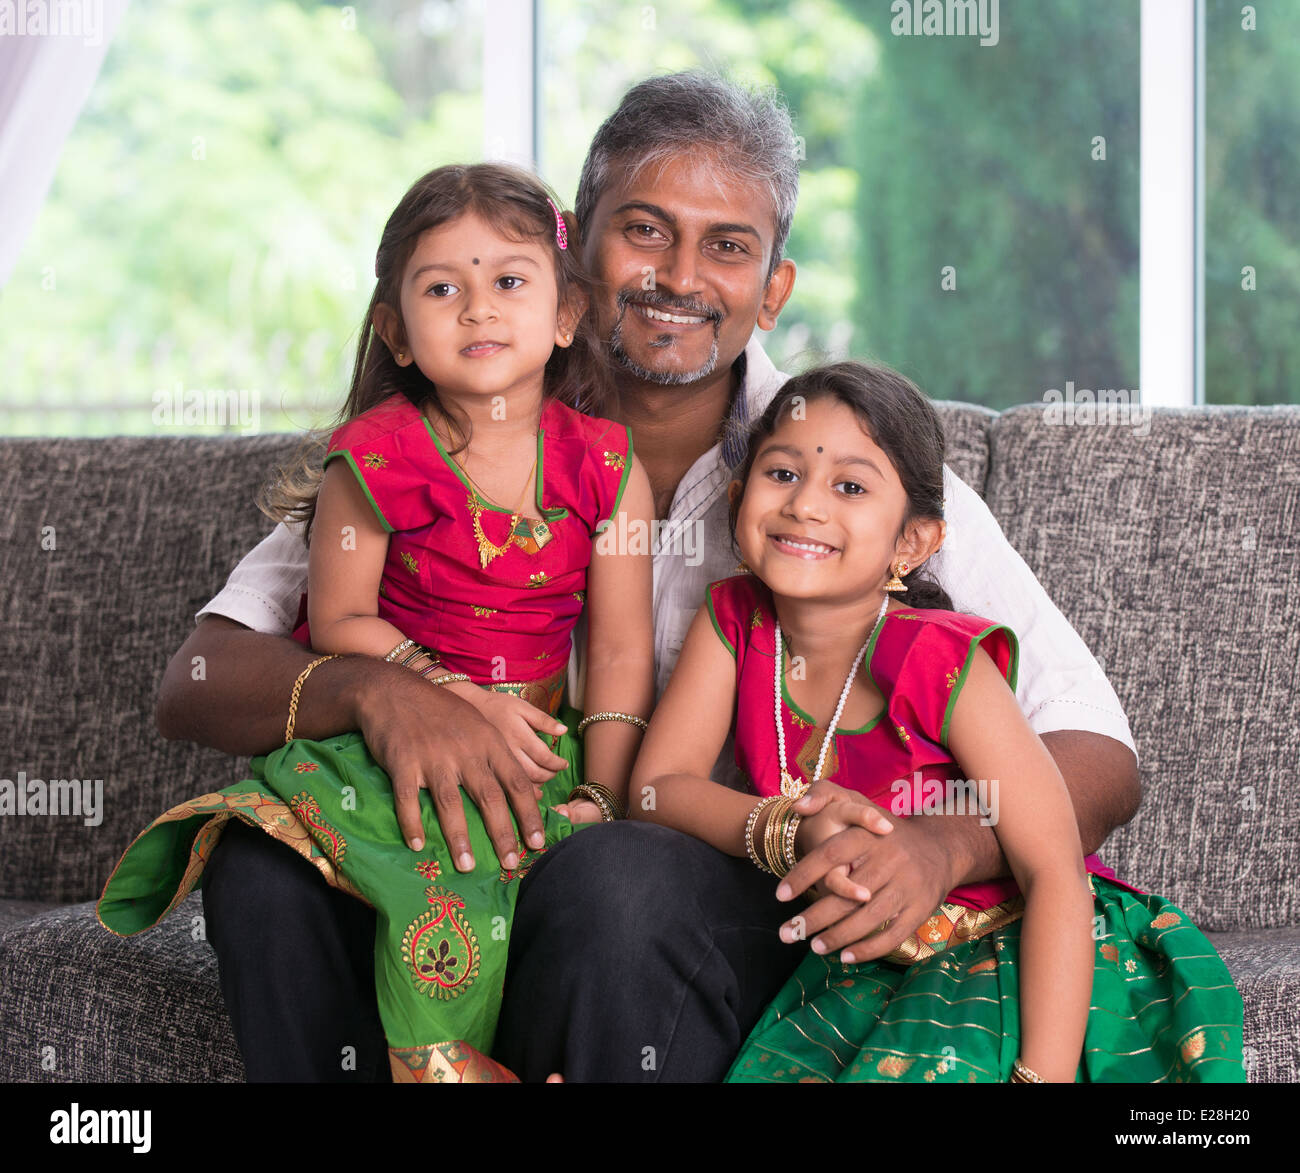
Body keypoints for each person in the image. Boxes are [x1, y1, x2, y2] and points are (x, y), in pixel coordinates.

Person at [155, 71, 1143, 1082]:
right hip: (468, 854)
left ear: (773, 289)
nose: (679, 274)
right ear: (575, 252)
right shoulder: (443, 433)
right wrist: (379, 690)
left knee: (614, 875)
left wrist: (941, 848)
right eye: (644, 228)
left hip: (739, 907)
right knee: (261, 865)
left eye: (727, 247)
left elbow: (1099, 750)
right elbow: (198, 677)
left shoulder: (844, 482)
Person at [98, 162, 656, 1083]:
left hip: (533, 752)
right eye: (445, 289)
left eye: (510, 282)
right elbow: (343, 619)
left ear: (566, 316)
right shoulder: (372, 460)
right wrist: (441, 694)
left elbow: (624, 644)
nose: (479, 309)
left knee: (531, 867)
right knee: (318, 867)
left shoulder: (606, 467)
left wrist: (602, 791)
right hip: (387, 743)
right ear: (396, 331)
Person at [630, 360, 1245, 1083]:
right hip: (863, 967)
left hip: (1008, 952)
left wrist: (1038, 1075)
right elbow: (657, 787)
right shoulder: (735, 623)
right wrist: (789, 827)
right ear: (738, 499)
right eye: (782, 474)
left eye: (850, 487)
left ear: (913, 543)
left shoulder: (937, 658)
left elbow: (1053, 869)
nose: (805, 506)